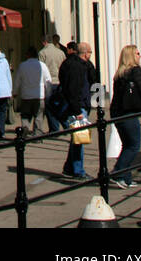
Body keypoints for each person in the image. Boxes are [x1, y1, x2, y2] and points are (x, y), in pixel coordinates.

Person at [109, 44, 141, 187]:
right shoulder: (135, 71)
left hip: (117, 112)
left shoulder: (120, 73)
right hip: (129, 112)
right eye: (138, 54)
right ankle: (118, 173)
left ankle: (125, 177)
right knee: (134, 146)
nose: (140, 56)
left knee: (127, 145)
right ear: (132, 56)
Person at [59, 41, 92, 179]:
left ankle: (69, 167)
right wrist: (77, 110)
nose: (90, 55)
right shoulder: (77, 67)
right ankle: (78, 170)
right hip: (77, 107)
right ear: (85, 53)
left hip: (74, 105)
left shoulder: (69, 63)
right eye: (90, 52)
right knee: (80, 139)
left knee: (76, 138)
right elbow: (74, 89)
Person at [13, 47, 51, 135]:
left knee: (25, 116)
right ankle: (37, 135)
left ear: (28, 55)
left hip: (26, 96)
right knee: (39, 116)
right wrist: (48, 94)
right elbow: (48, 81)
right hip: (39, 96)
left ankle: (24, 132)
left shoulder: (22, 66)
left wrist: (15, 92)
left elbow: (17, 80)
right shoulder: (42, 65)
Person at [39, 35, 67, 132]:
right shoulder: (61, 53)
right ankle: (66, 125)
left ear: (44, 42)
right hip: (59, 82)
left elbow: (41, 69)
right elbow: (64, 67)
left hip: (49, 83)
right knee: (60, 105)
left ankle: (54, 128)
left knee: (49, 107)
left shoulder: (42, 53)